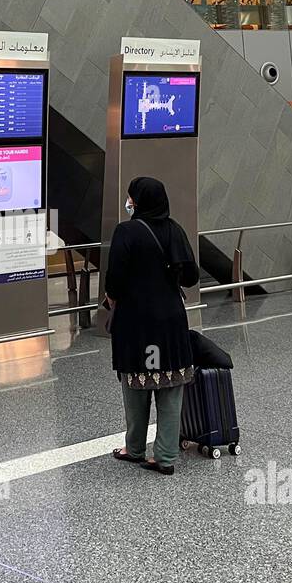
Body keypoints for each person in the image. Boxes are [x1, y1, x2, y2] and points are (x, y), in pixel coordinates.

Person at [104, 177, 199, 475]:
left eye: (131, 197)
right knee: (170, 387)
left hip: (137, 322)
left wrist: (112, 298)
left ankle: (134, 448)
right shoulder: (175, 229)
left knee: (136, 384)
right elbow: (191, 277)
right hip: (170, 320)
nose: (129, 202)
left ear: (139, 201)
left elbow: (114, 281)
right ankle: (165, 457)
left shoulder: (127, 232)